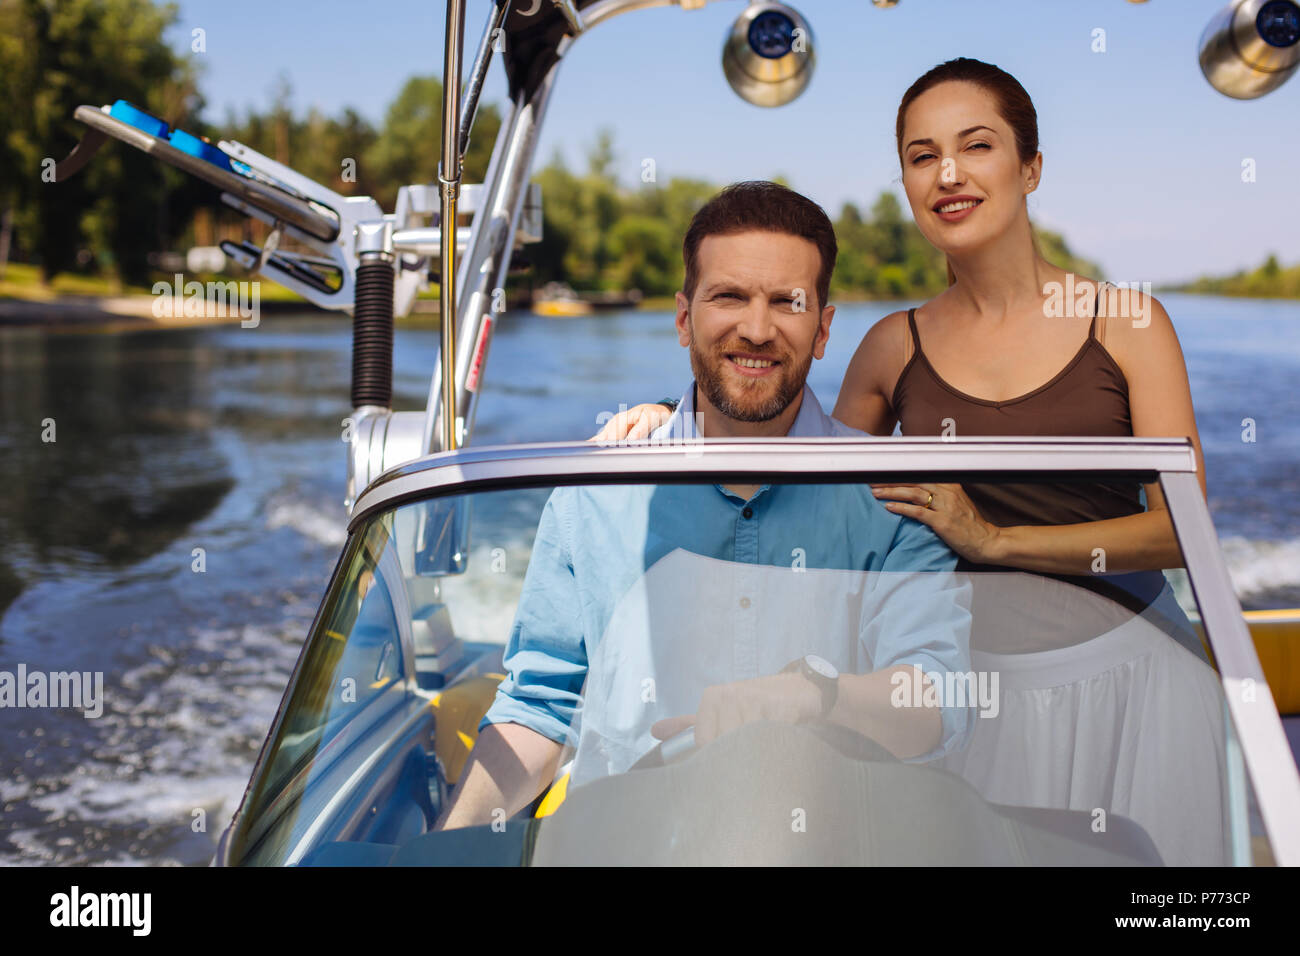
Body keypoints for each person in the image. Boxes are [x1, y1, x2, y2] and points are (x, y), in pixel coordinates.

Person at [589, 60, 1231, 864]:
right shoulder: (894, 346)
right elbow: (798, 459)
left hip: (1137, 681)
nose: (949, 174)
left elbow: (1186, 526)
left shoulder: (1128, 322)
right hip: (965, 700)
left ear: (1030, 167)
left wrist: (993, 541)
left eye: (977, 145)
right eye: (923, 156)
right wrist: (670, 419)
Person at [434, 182, 972, 831]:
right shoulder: (593, 489)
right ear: (685, 318)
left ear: (823, 329)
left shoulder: (893, 495)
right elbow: (539, 706)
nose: (756, 328)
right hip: (624, 844)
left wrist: (814, 695)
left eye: (787, 302)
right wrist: (446, 848)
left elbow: (937, 700)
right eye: (730, 297)